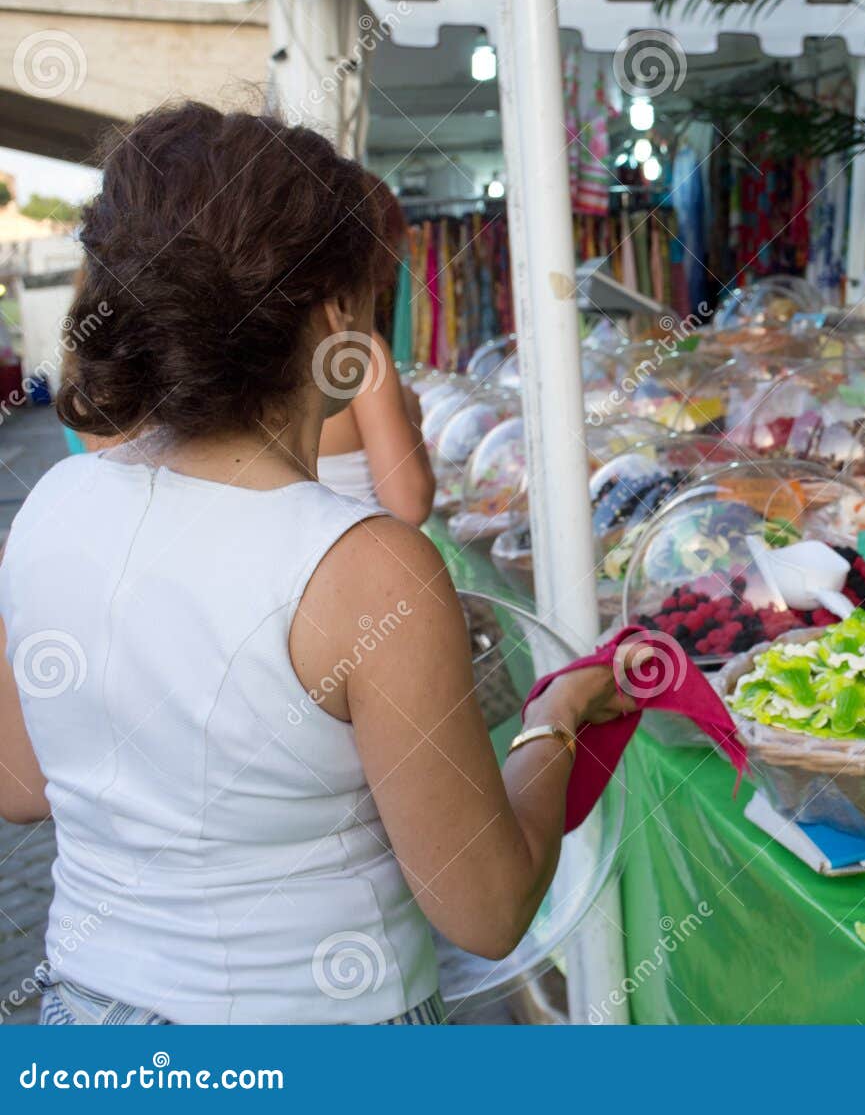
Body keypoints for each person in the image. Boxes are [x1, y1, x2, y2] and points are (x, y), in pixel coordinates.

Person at [0, 102, 631, 1024]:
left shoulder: (49, 508)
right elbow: (488, 907)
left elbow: (20, 784)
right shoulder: (369, 569)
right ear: (338, 311)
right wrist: (554, 718)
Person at [317, 176, 434, 523]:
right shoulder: (357, 347)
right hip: (354, 563)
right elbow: (409, 504)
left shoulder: (254, 340)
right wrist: (409, 413)